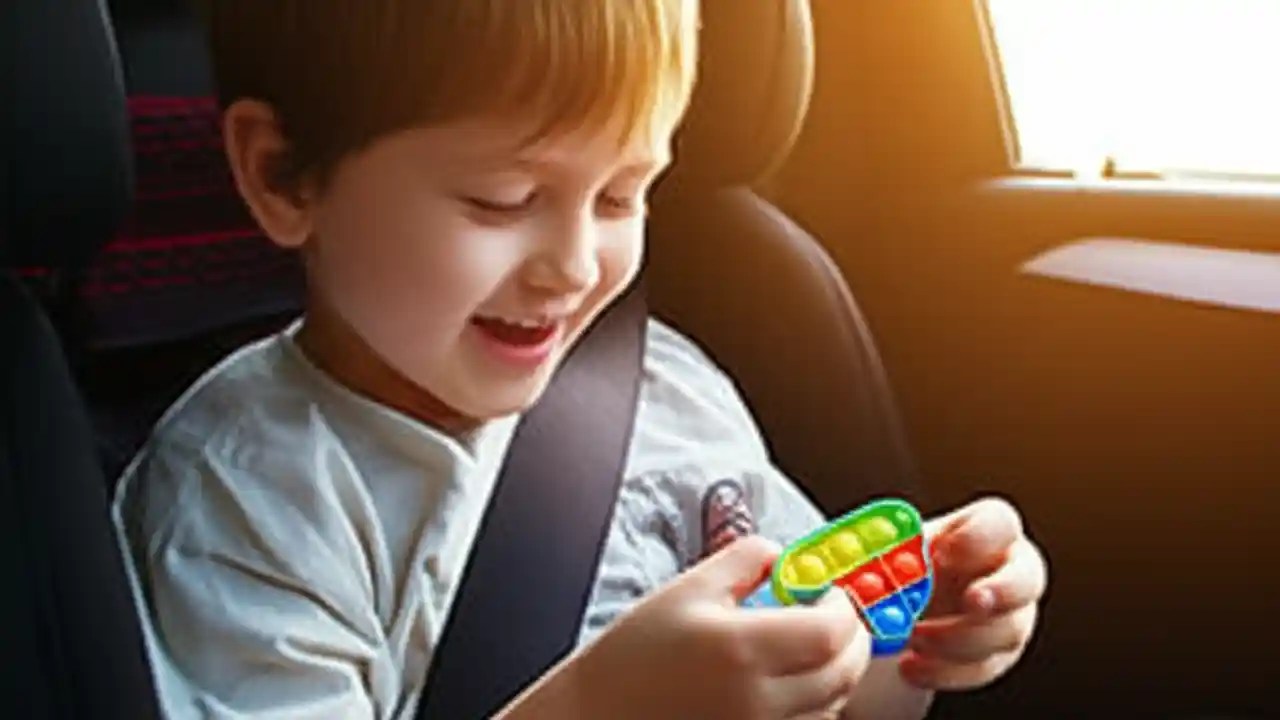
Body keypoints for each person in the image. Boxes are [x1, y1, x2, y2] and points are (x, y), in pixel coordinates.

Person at [111, 1, 1048, 718]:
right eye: (502, 199)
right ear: (281, 176)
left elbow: (824, 677)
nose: (573, 265)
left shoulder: (673, 387)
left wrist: (915, 627)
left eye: (622, 196)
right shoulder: (247, 498)